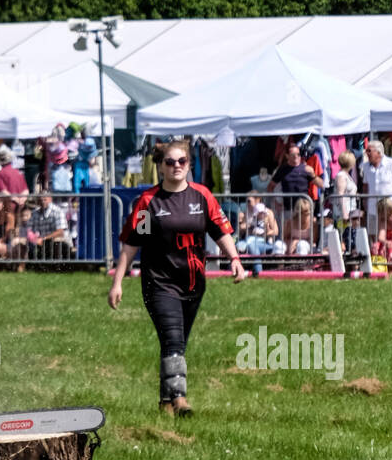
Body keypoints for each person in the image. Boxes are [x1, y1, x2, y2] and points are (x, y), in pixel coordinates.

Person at [108, 140, 245, 417]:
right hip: (159, 283)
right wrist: (118, 282)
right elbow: (132, 244)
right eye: (170, 162)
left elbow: (219, 231)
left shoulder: (202, 196)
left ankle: (164, 402)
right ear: (160, 166)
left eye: (181, 161)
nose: (176, 166)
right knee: (172, 339)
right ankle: (180, 398)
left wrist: (235, 260)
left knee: (177, 343)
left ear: (188, 164)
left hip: (193, 283)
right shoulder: (148, 202)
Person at [360, 139, 392, 239]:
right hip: (373, 208)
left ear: (378, 152)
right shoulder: (365, 166)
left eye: (369, 151)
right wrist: (364, 200)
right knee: (373, 236)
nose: (367, 153)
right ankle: (375, 254)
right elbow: (365, 185)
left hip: (391, 207)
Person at [236, 192, 278, 275]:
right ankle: (232, 272)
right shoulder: (247, 213)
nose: (247, 203)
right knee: (235, 247)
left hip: (263, 242)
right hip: (248, 240)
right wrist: (247, 225)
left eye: (249, 201)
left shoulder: (268, 213)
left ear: (257, 200)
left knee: (252, 245)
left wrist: (264, 233)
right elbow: (241, 229)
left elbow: (275, 231)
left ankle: (259, 272)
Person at [332, 149, 358, 251]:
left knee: (350, 240)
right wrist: (345, 214)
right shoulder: (341, 176)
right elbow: (341, 195)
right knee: (346, 240)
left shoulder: (346, 175)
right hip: (343, 214)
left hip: (350, 212)